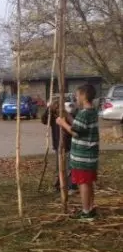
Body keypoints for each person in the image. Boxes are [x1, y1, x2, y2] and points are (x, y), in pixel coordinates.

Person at [56, 84, 99, 221]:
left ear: (84, 96)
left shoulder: (84, 113)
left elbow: (75, 132)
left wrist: (62, 123)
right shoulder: (91, 112)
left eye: (77, 95)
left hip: (83, 157)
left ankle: (86, 212)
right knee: (88, 182)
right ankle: (90, 208)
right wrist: (67, 116)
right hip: (90, 156)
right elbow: (78, 125)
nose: (76, 98)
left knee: (83, 183)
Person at [41, 97, 77, 194]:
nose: (57, 109)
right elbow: (44, 120)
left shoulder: (68, 116)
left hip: (69, 146)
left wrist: (66, 117)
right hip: (58, 146)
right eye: (55, 107)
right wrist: (48, 109)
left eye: (59, 107)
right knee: (59, 167)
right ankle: (59, 185)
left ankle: (72, 186)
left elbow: (74, 127)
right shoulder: (53, 117)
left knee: (70, 167)